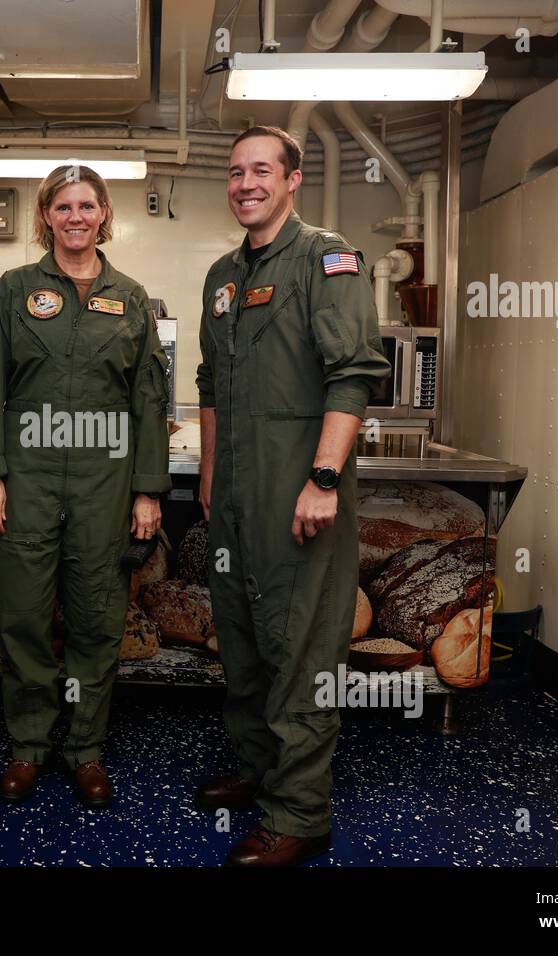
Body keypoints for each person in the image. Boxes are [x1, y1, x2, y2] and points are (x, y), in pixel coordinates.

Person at [194, 126, 391, 866]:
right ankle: (258, 772)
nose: (246, 182)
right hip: (237, 494)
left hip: (298, 488)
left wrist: (324, 478)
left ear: (292, 179)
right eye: (236, 170)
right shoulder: (221, 275)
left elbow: (354, 375)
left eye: (261, 170)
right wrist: (210, 474)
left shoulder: (326, 259)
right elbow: (211, 385)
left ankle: (301, 814)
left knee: (300, 648)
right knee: (242, 644)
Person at [0, 164, 170, 807]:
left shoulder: (132, 297)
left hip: (103, 482)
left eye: (87, 205)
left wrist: (147, 491)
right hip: (25, 478)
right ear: (46, 217)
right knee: (23, 615)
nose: (75, 217)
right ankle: (28, 746)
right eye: (63, 206)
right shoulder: (15, 288)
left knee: (96, 619)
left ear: (104, 214)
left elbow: (148, 400)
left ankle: (84, 748)